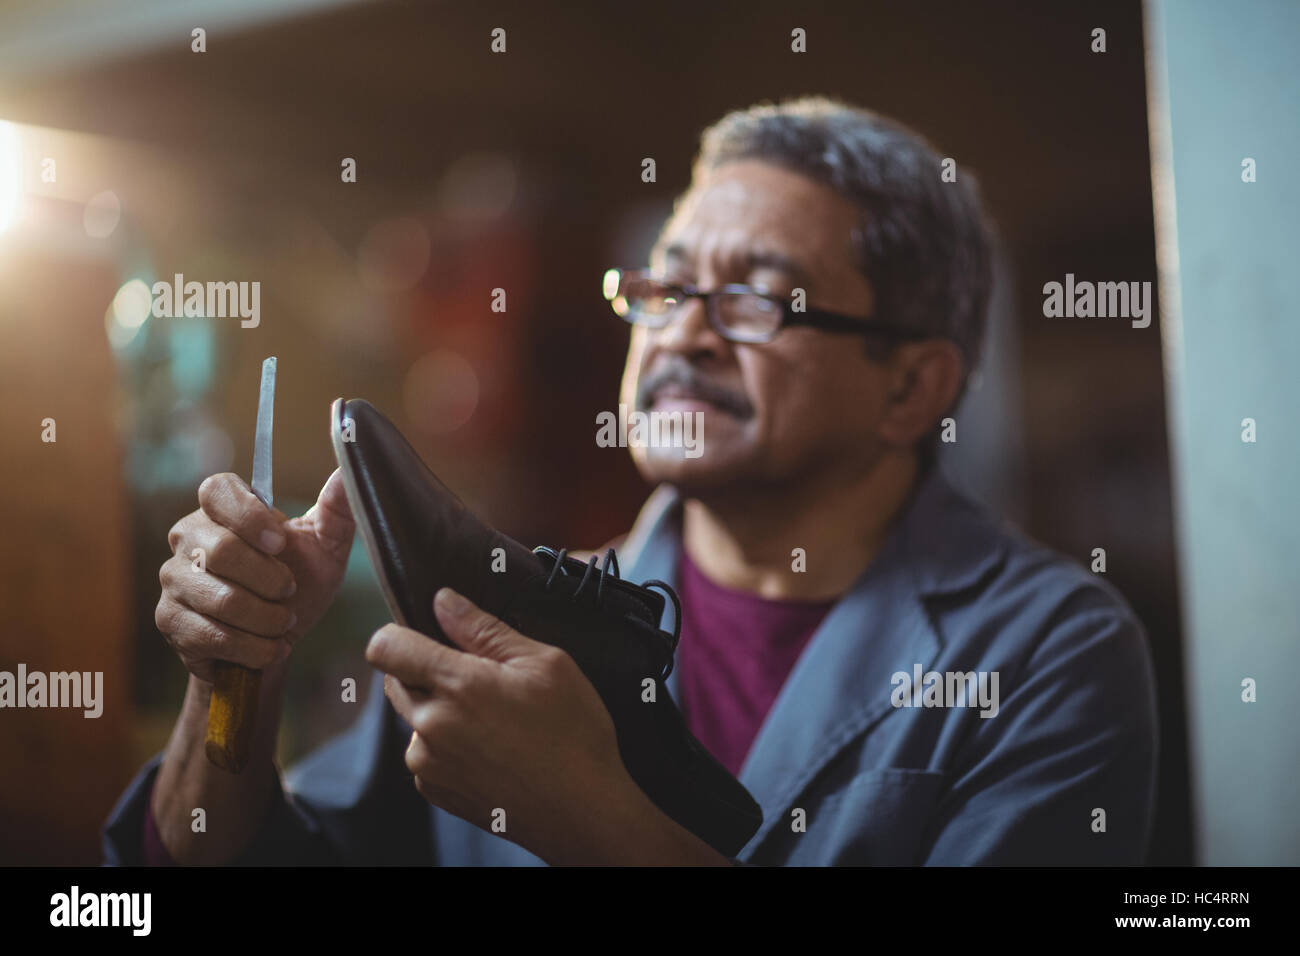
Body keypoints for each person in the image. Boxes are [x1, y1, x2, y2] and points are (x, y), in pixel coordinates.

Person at [104, 96, 1158, 866]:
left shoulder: (1048, 650)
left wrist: (598, 828)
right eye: (663, 284)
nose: (682, 336)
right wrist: (236, 671)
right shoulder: (499, 608)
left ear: (910, 385)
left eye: (757, 300)